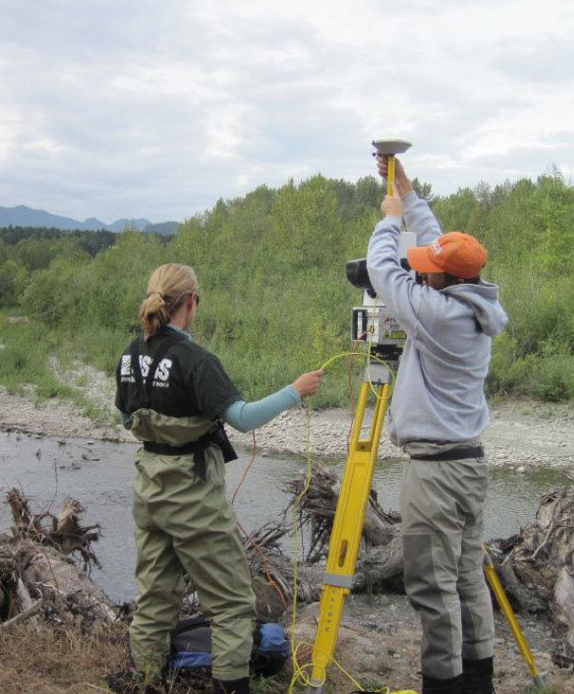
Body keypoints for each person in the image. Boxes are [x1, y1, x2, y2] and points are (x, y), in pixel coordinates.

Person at [109, 263, 324, 694]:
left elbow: (127, 414)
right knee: (230, 604)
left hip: (148, 487)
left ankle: (146, 681)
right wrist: (294, 391)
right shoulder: (197, 360)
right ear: (190, 302)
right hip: (191, 494)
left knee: (155, 596)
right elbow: (242, 419)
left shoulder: (130, 354)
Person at [366, 157, 508, 694]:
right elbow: (438, 245)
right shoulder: (470, 302)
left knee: (431, 588)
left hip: (438, 473)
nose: (421, 269)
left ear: (444, 279)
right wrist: (407, 190)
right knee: (467, 578)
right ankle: (479, 681)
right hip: (468, 465)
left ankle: (443, 687)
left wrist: (388, 218)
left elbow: (385, 273)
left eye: (429, 267)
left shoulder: (438, 315)